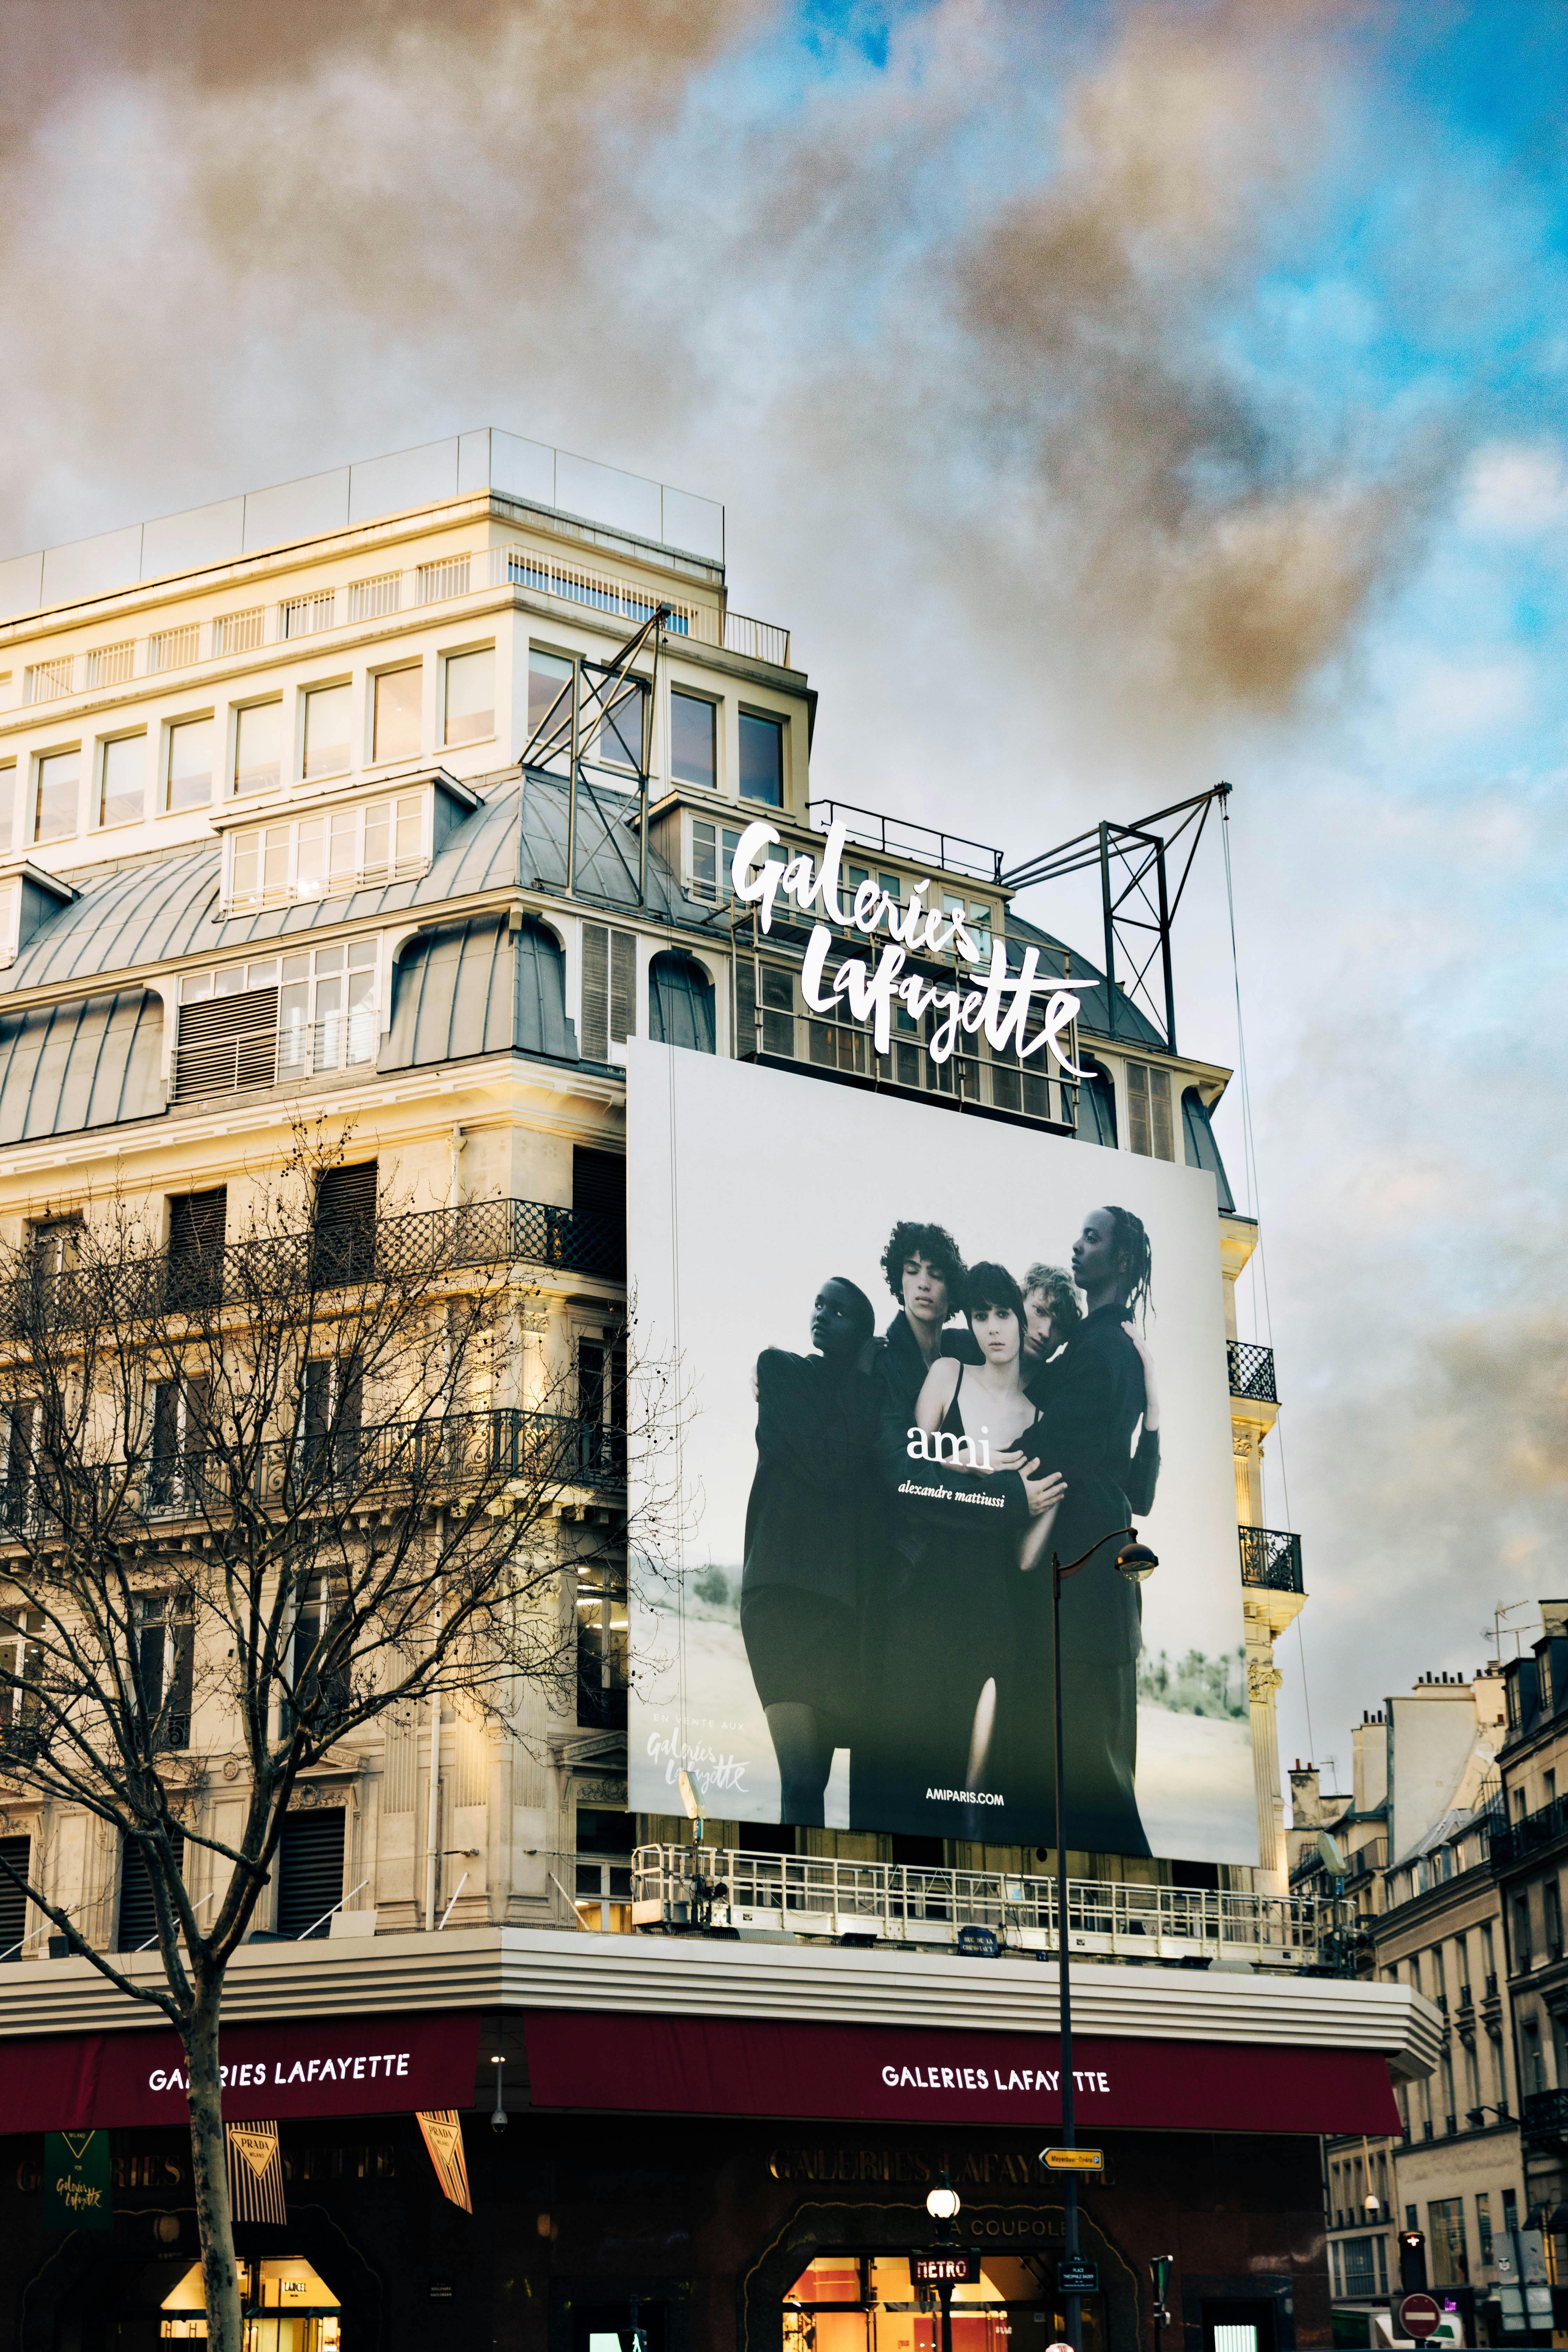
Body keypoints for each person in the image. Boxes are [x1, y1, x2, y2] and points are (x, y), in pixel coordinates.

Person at [1007, 1206, 1156, 1856]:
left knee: (1096, 1780)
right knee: (1087, 1775)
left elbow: (1047, 1447)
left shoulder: (1103, 1350)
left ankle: (1151, 1918)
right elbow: (1140, 1489)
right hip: (1096, 1588)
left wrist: (961, 1461)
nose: (1077, 1245)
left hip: (1085, 1589)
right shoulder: (1107, 1345)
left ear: (1120, 1262)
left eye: (1091, 1239)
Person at [740, 1276, 881, 1827]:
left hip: (843, 1611)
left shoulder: (868, 1397)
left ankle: (817, 1902)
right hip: (783, 1600)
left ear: (864, 1332)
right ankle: (795, 1905)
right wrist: (867, 1376)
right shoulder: (781, 1370)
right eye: (820, 1305)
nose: (823, 1315)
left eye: (840, 1311)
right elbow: (830, 1462)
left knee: (816, 1782)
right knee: (800, 1780)